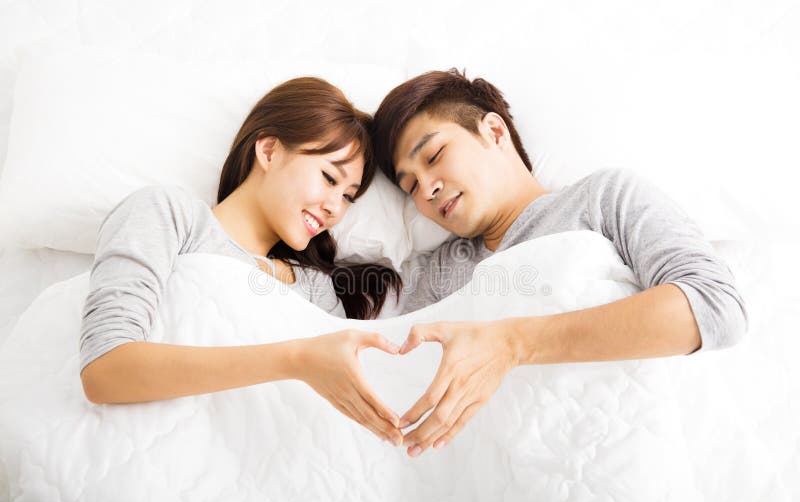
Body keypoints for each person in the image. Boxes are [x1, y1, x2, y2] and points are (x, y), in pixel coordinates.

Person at [371, 68, 749, 458]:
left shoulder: (602, 198)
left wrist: (513, 344)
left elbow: (714, 306)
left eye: (434, 156)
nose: (427, 189)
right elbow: (397, 383)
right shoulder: (437, 275)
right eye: (410, 186)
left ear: (495, 132)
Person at [79, 77, 406, 447]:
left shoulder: (315, 287)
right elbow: (104, 369)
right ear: (268, 151)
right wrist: (295, 360)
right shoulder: (171, 215)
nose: (335, 208)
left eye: (348, 196)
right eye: (329, 178)